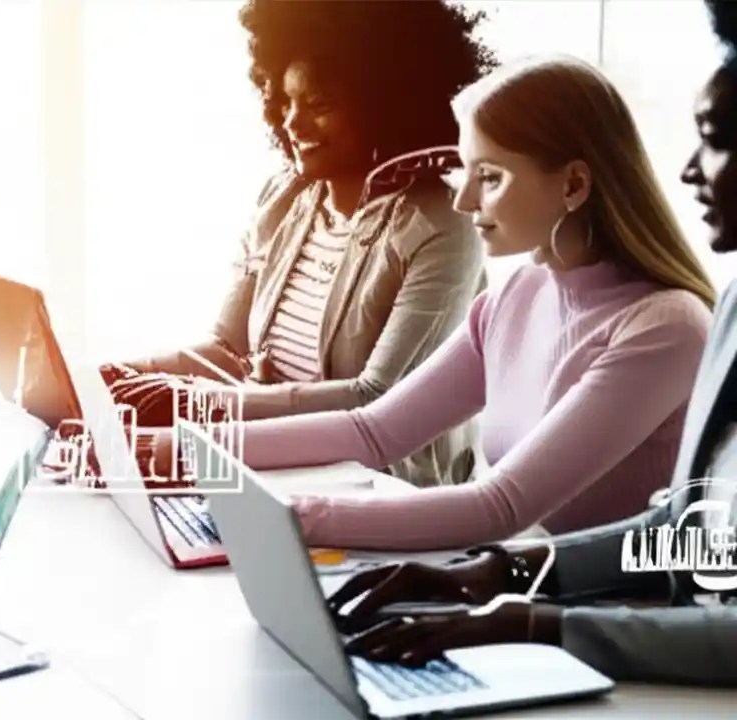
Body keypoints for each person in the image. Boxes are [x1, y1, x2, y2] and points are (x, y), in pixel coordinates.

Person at [151, 55, 718, 551]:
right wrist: (171, 448)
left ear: (573, 186)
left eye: (490, 177)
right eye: (464, 171)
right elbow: (372, 432)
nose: (465, 199)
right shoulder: (515, 296)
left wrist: (292, 520)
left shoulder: (664, 326)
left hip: (607, 627)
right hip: (523, 593)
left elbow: (500, 506)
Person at [329, 1, 737, 685]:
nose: (691, 170)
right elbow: (690, 525)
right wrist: (507, 571)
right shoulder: (730, 313)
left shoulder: (672, 323)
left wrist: (535, 622)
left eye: (716, 137)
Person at [103, 0, 497, 488]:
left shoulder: (443, 223)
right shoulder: (285, 197)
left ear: (387, 102)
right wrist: (118, 376)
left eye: (319, 105)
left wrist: (197, 403)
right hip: (269, 474)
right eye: (285, 102)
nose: (293, 123)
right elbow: (227, 351)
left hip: (382, 492)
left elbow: (376, 400)